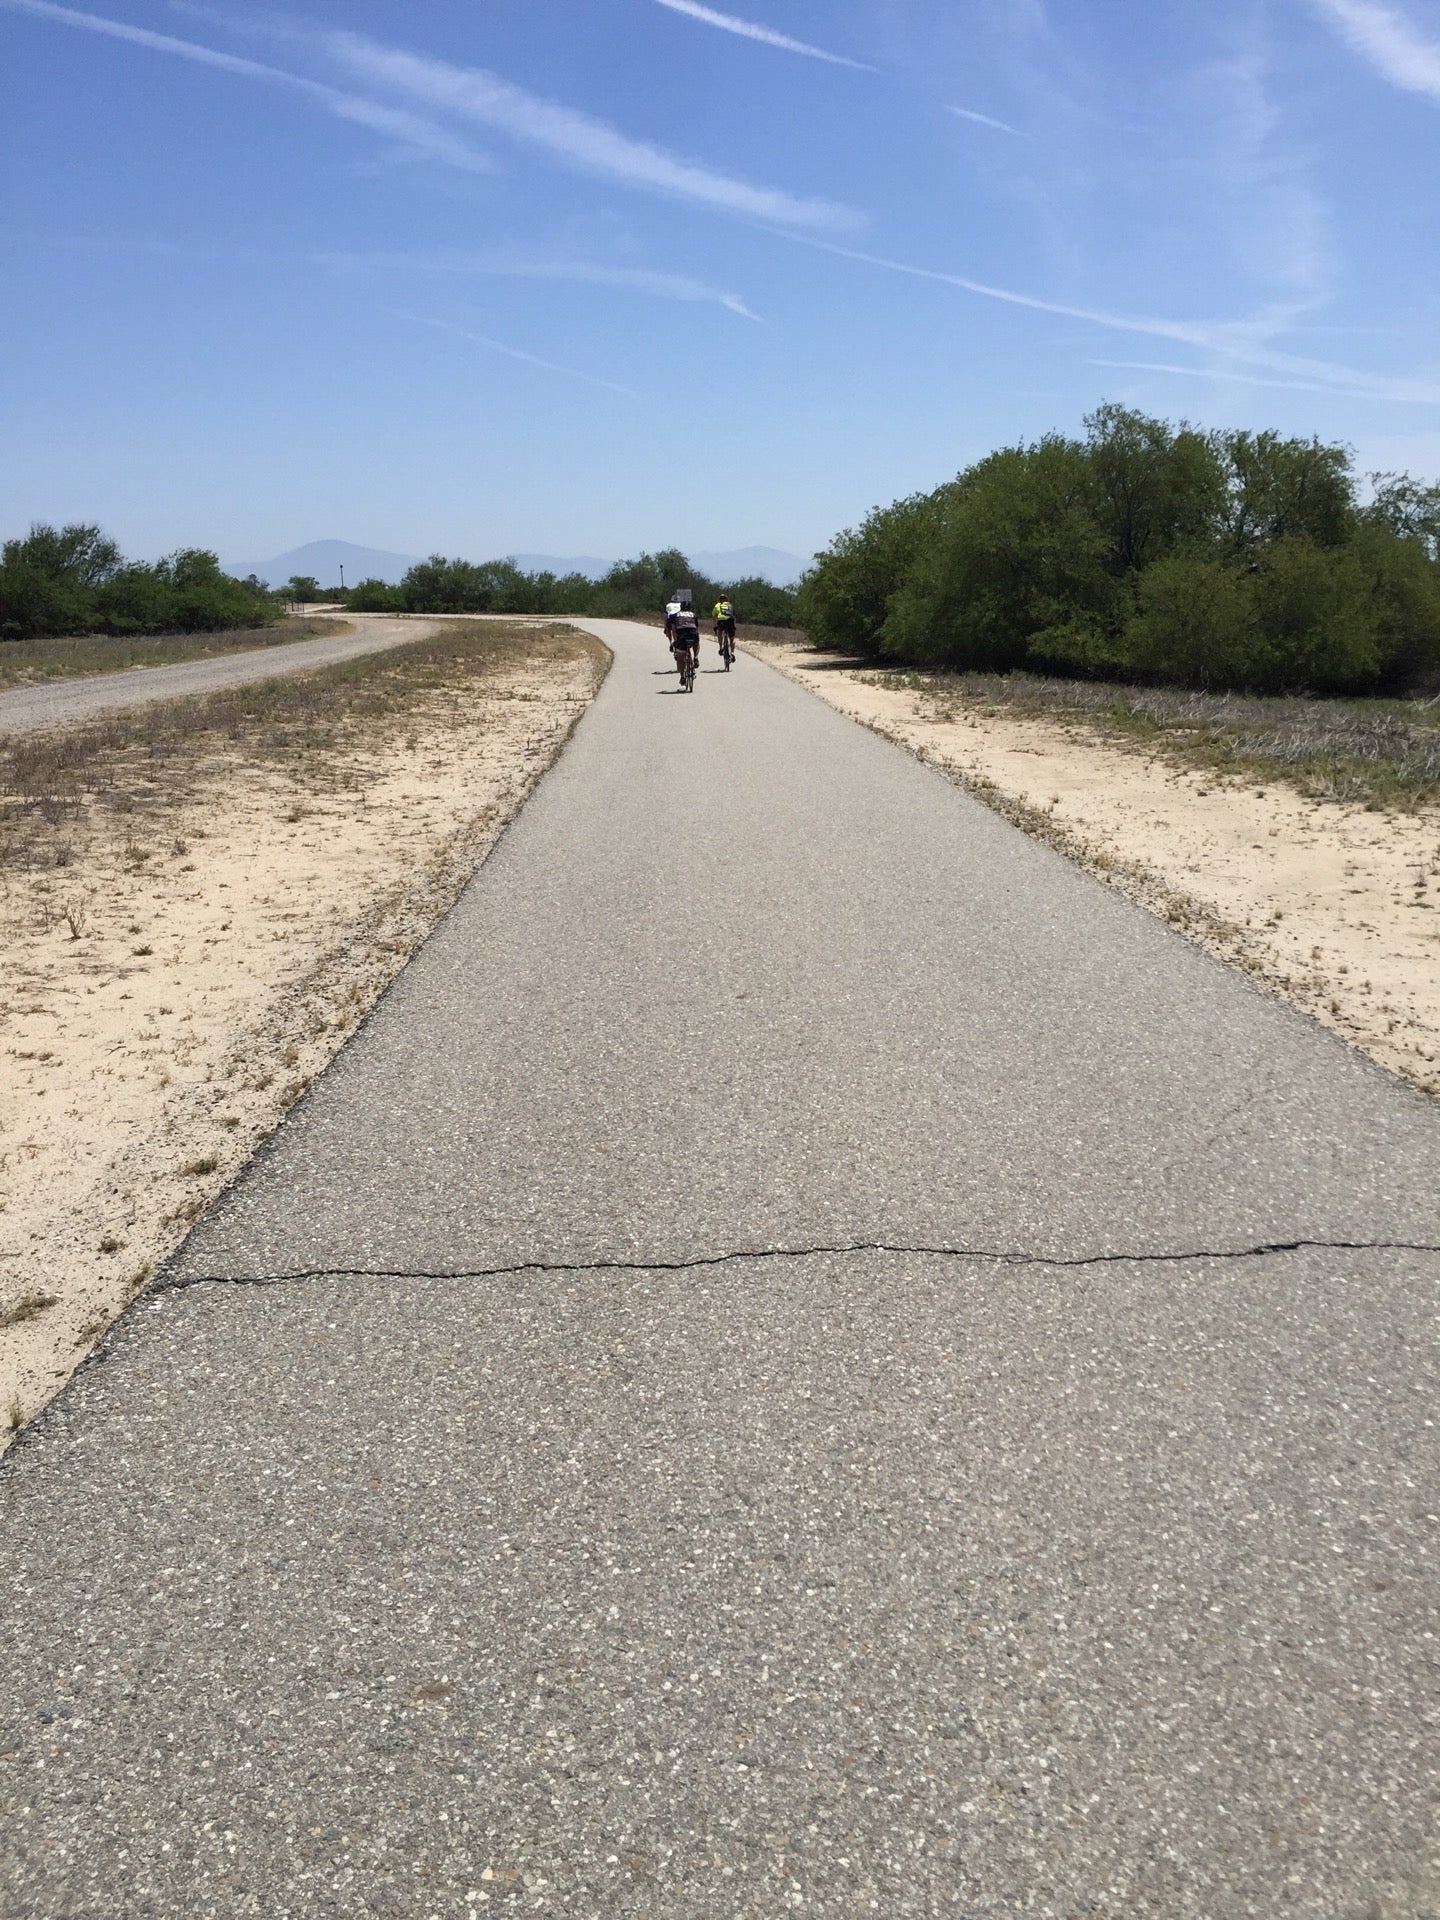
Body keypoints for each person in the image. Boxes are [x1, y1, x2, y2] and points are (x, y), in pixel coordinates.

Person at [712, 593, 736, 660]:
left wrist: (715, 626)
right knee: (732, 638)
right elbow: (734, 616)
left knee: (719, 632)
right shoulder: (730, 605)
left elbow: (713, 615)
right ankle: (732, 653)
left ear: (719, 600)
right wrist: (734, 625)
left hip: (721, 621)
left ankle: (720, 647)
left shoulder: (717, 605)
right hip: (730, 621)